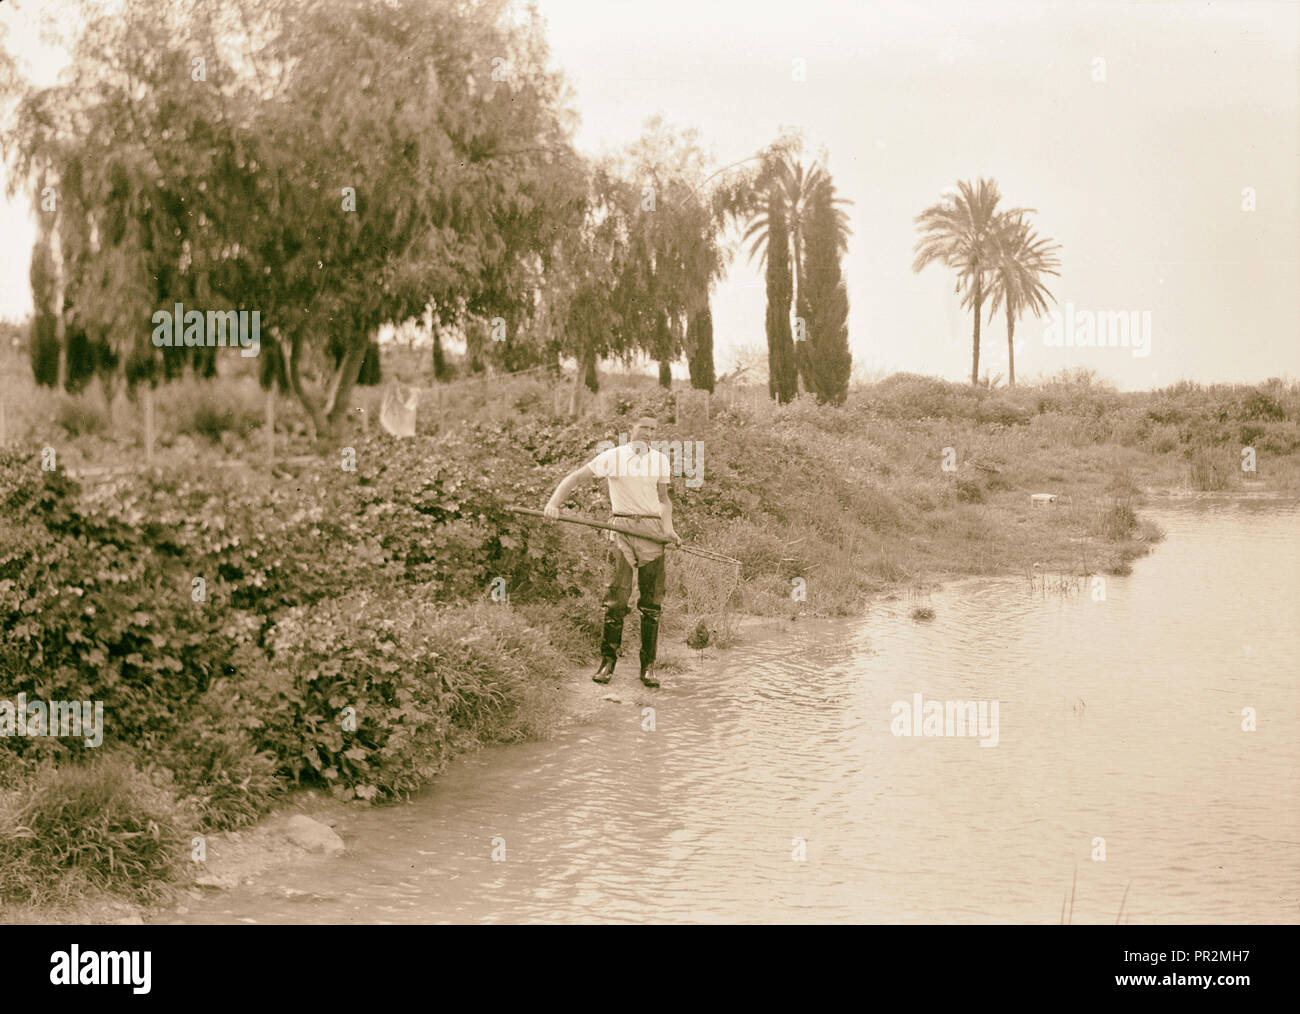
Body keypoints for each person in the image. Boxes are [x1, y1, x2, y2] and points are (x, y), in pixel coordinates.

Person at [544, 415, 681, 688]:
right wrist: (553, 504)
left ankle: (648, 667)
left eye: (653, 429)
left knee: (651, 604)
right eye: (643, 427)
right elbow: (574, 478)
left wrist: (669, 529)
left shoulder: (660, 460)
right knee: (616, 601)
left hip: (651, 531)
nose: (648, 433)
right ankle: (607, 663)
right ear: (632, 428)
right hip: (620, 529)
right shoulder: (613, 456)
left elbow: (664, 500)